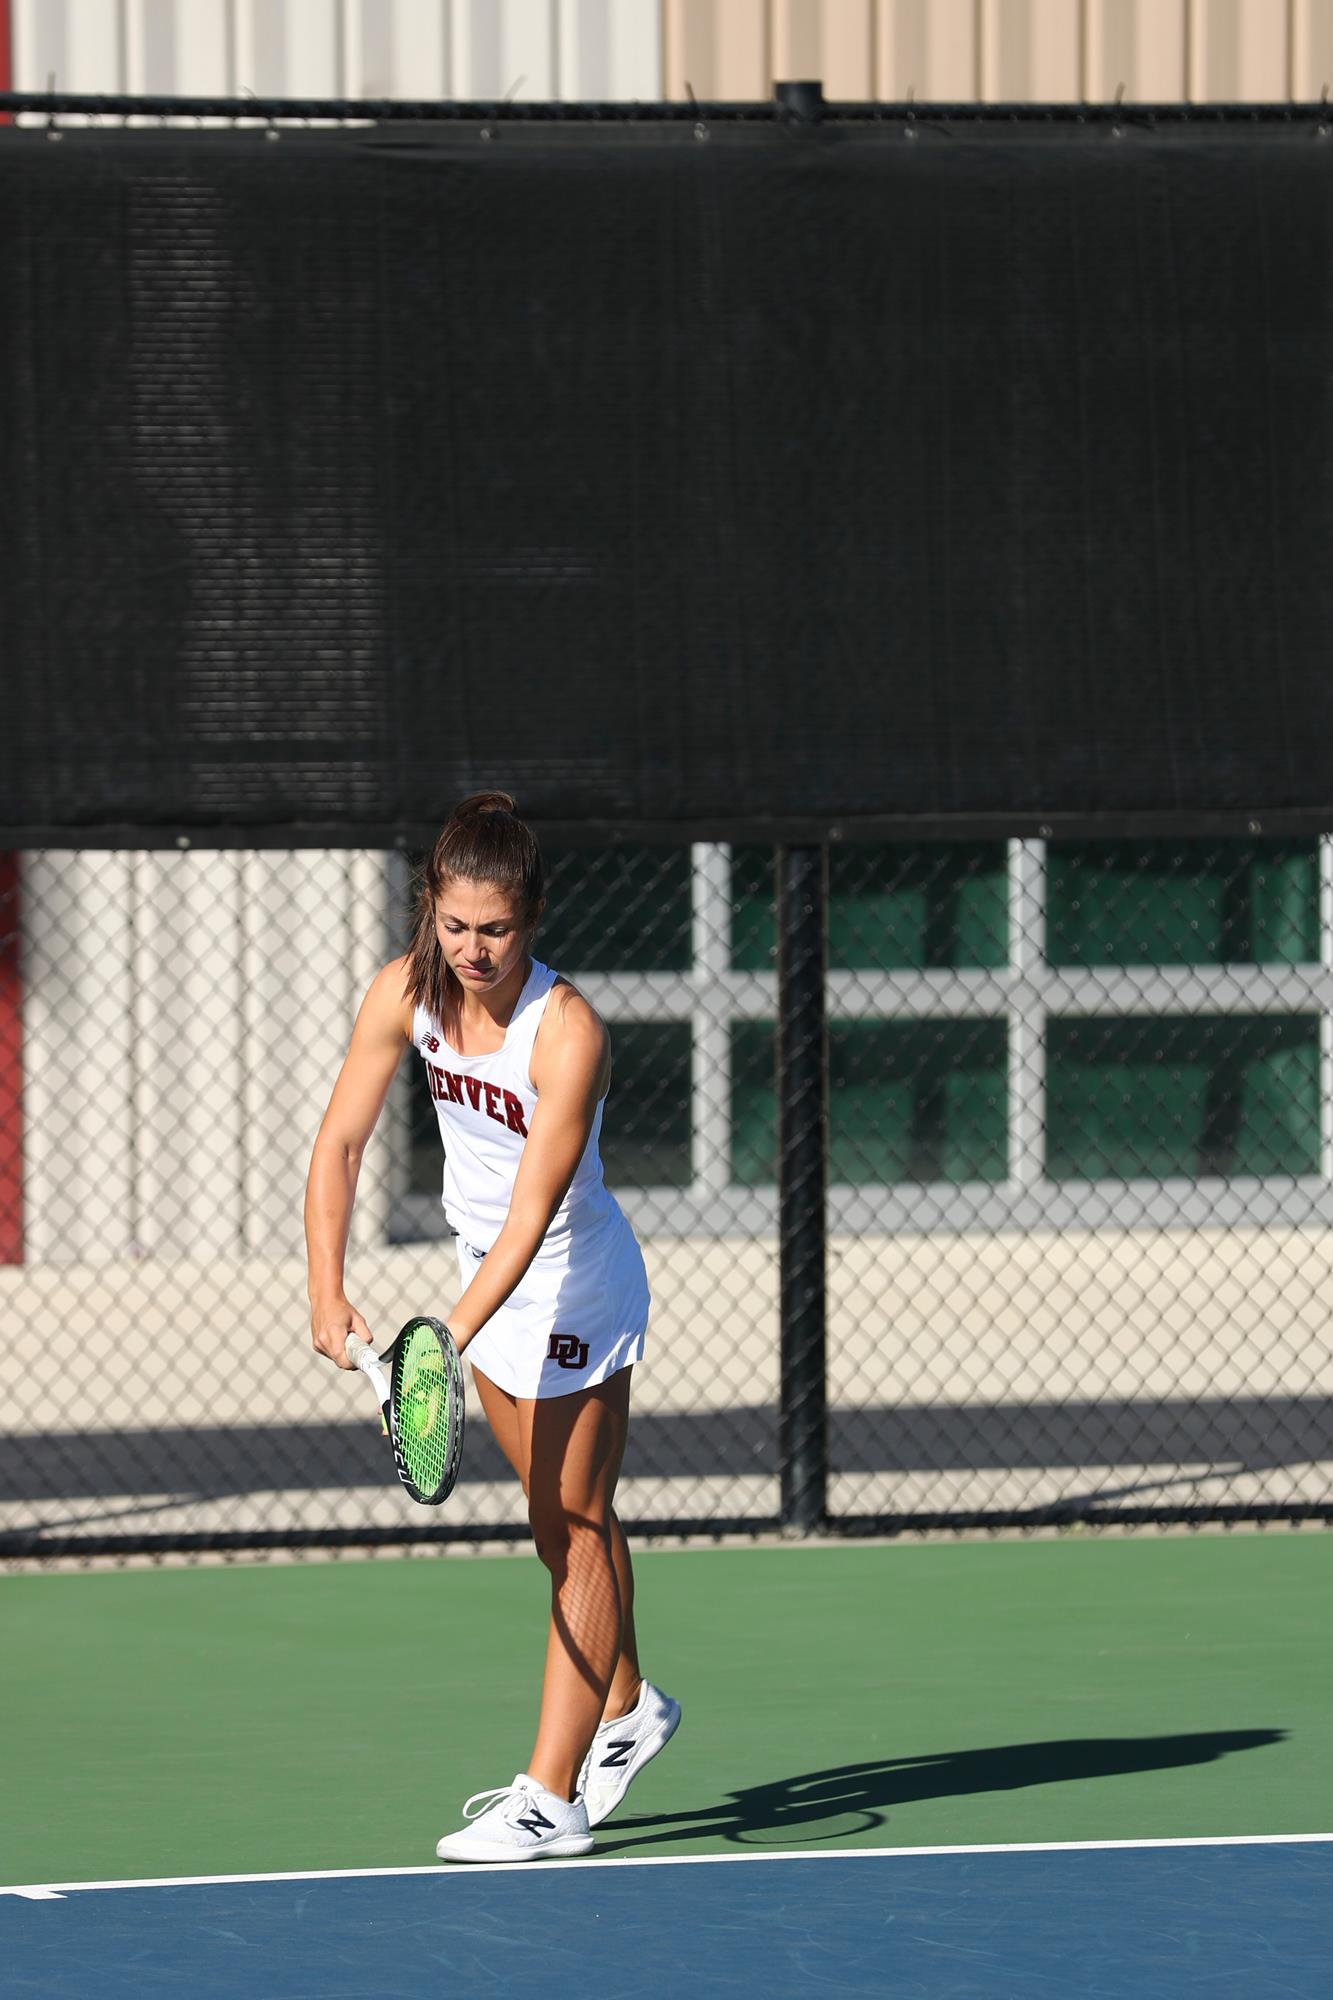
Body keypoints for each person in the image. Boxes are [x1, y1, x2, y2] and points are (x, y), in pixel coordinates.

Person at [304, 792, 680, 1862]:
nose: (474, 949)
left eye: (498, 929)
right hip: (483, 1277)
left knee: (574, 1521)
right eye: (456, 924)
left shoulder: (567, 1032)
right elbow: (339, 1144)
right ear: (429, 906)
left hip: (570, 1284)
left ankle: (551, 1796)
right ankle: (630, 1704)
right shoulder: (404, 992)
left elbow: (532, 1212)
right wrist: (326, 1288)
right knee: (557, 1520)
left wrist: (439, 1337)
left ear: (535, 919)